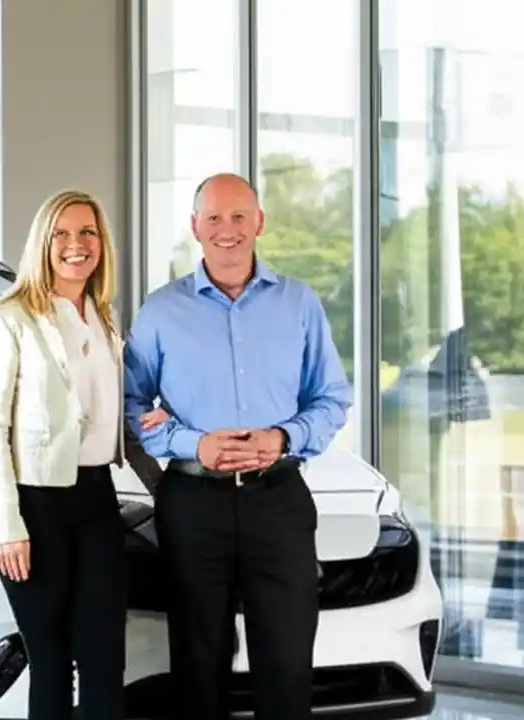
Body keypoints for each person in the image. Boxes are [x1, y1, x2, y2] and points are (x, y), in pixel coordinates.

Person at [122, 172, 352, 719]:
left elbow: (331, 398)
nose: (228, 230)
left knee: (288, 661)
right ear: (195, 227)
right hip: (193, 504)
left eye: (240, 217)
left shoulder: (298, 303)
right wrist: (191, 444)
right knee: (198, 664)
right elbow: (130, 407)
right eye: (215, 218)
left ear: (260, 223)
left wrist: (284, 437)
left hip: (278, 500)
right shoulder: (160, 311)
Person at [0, 188, 163, 720]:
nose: (75, 244)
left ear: (101, 243)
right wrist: (10, 527)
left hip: (96, 500)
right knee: (52, 661)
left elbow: (116, 417)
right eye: (62, 233)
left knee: (105, 657)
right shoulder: (10, 318)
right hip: (34, 506)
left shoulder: (104, 317)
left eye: (87, 233)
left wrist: (164, 483)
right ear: (43, 243)